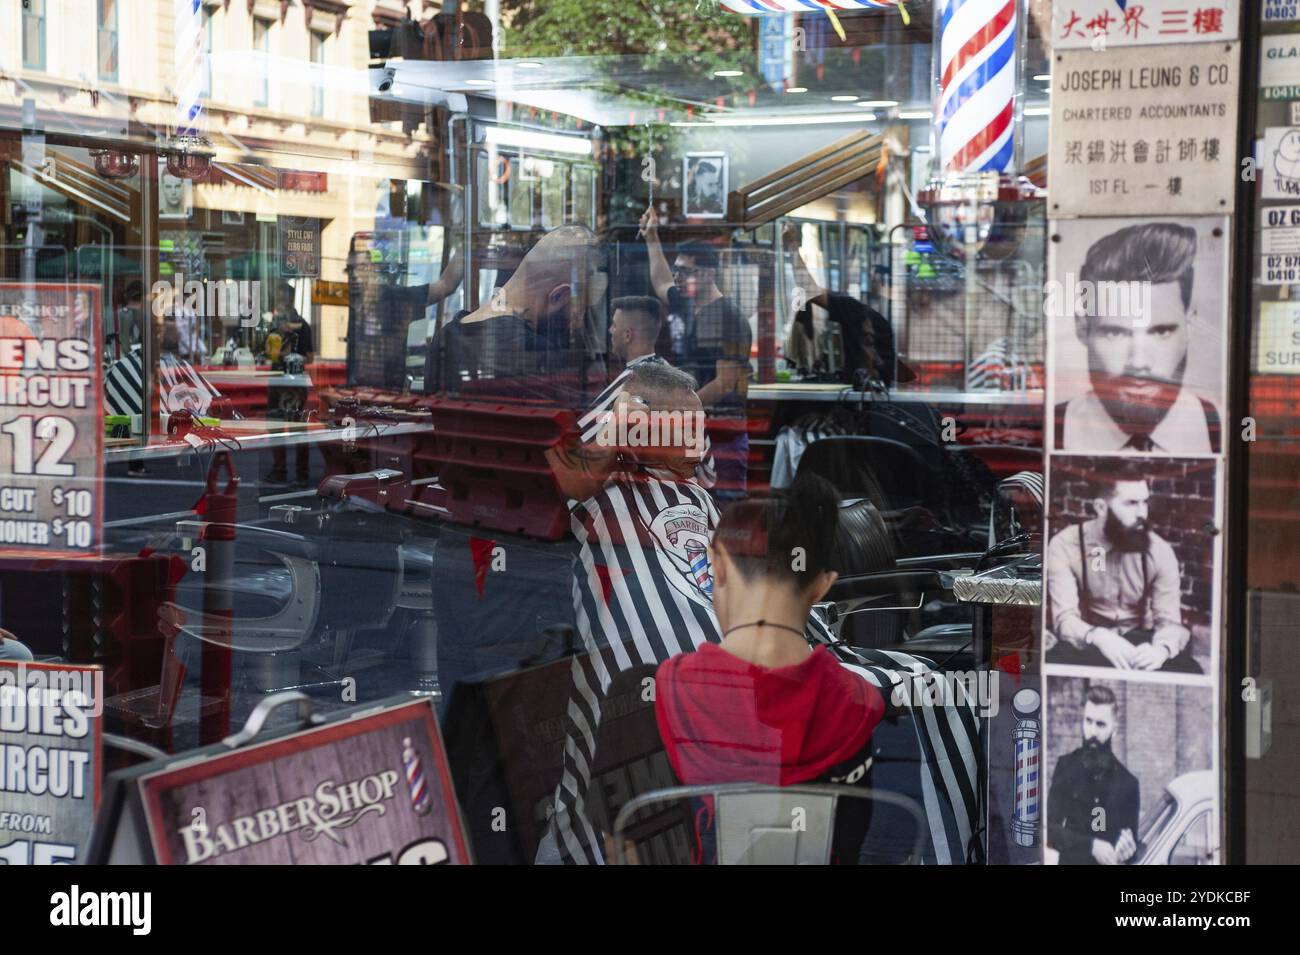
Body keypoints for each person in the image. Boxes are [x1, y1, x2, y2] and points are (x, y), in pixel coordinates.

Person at [1056, 222, 1221, 453]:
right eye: (1115, 333)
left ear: (1190, 325)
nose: (1138, 362)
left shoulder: (1225, 430)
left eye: (1161, 332)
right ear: (1083, 329)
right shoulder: (1049, 430)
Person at [1045, 461, 1201, 673]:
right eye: (1131, 503)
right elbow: (1064, 620)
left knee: (1190, 670)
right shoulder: (1065, 545)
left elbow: (1169, 621)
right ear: (1101, 507)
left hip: (1141, 641)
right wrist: (1098, 636)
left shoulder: (1159, 551)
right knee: (1054, 664)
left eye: (1144, 502)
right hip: (1089, 639)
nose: (1142, 514)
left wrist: (1161, 649)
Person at [640, 206, 751, 500]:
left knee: (723, 517)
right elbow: (661, 281)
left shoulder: (729, 316)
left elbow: (725, 381)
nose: (677, 276)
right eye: (678, 269)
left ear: (708, 273)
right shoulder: (686, 305)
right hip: (691, 434)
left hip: (721, 435)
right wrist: (652, 237)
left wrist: (682, 409)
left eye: (685, 271)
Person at [782, 221, 900, 386]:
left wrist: (792, 246)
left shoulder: (857, 311)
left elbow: (810, 290)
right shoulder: (885, 317)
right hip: (878, 392)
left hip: (861, 395)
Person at [1046, 685, 1140, 866]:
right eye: (1088, 721)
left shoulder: (1129, 784)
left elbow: (1131, 850)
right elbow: (1050, 829)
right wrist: (1091, 846)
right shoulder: (1066, 767)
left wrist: (1127, 852)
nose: (1093, 732)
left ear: (1115, 727)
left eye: (1101, 724)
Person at [265, 282, 316, 486]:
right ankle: (280, 470)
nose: (279, 301)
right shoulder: (275, 324)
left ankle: (301, 473)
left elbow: (310, 357)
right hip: (277, 378)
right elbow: (268, 353)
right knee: (275, 425)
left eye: (281, 296)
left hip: (293, 381)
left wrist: (291, 356)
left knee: (296, 426)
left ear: (290, 298)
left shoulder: (302, 325)